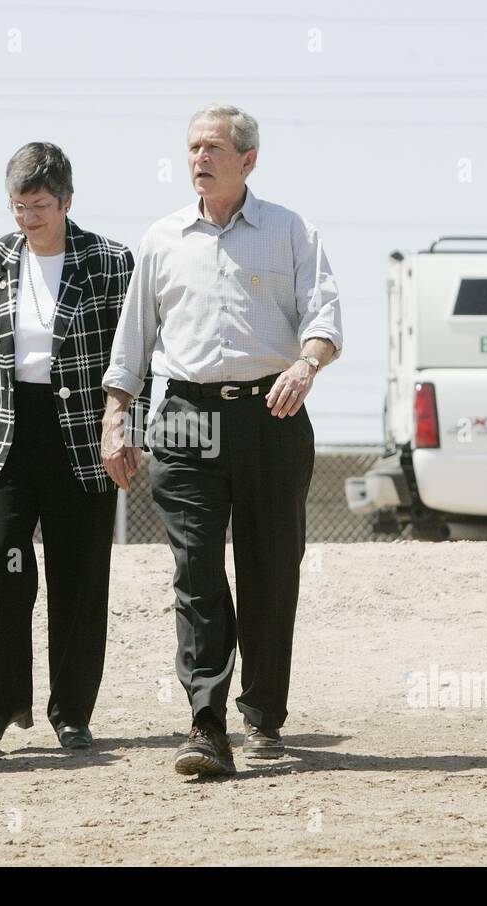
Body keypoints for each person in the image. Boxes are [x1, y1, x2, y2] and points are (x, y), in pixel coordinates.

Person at [101, 104, 343, 776]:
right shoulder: (162, 239)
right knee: (196, 568)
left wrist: (306, 363)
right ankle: (206, 724)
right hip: (184, 417)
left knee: (269, 569)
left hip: (272, 412)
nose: (199, 159)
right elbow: (132, 345)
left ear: (248, 159)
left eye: (212, 148)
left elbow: (325, 316)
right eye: (192, 148)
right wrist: (115, 418)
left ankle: (263, 713)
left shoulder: (291, 232)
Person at [0, 142, 142, 750]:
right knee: (0, 556)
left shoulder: (110, 261)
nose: (28, 218)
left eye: (40, 206)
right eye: (19, 206)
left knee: (79, 575)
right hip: (3, 428)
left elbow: (131, 355)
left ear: (67, 201)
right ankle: (7, 703)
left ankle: (72, 711)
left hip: (82, 434)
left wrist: (125, 427)